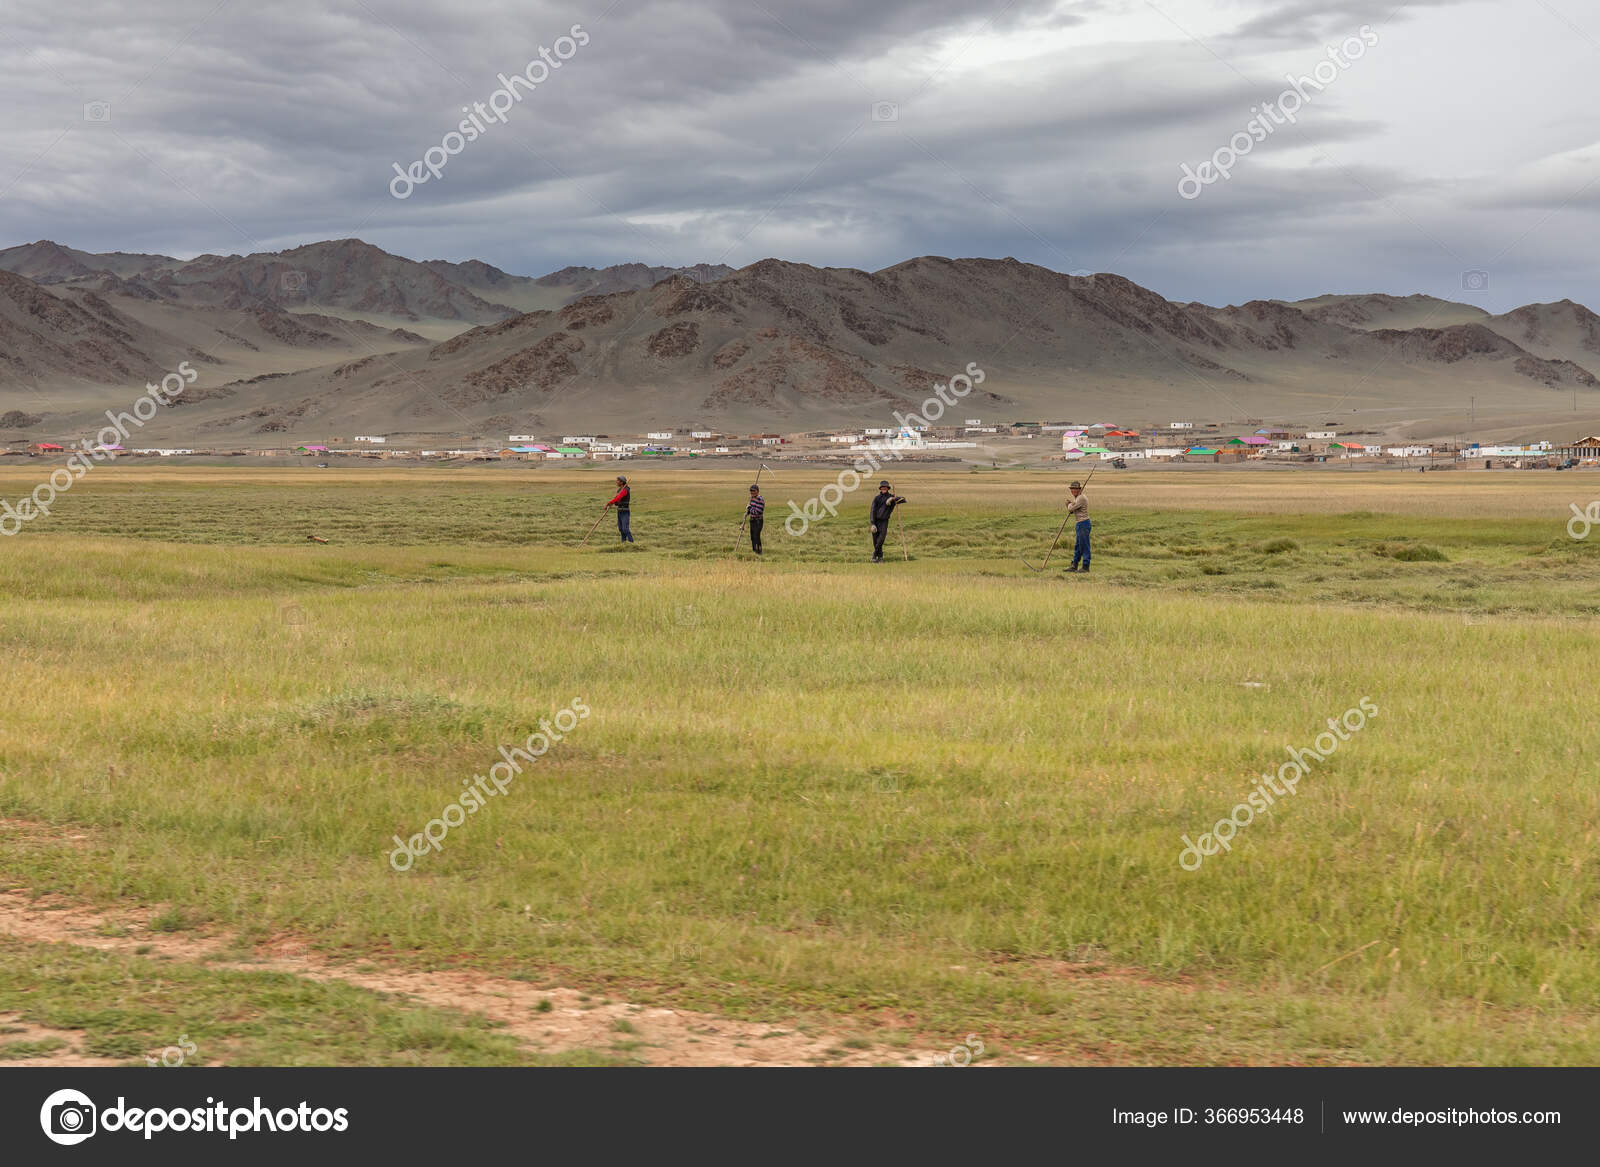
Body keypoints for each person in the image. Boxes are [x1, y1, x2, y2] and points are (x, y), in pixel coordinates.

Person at [868, 480, 906, 562]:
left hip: (884, 521)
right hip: (876, 521)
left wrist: (893, 498)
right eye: (882, 487)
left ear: (888, 488)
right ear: (880, 488)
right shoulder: (877, 498)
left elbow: (904, 499)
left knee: (881, 539)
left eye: (885, 487)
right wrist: (872, 523)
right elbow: (872, 510)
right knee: (875, 541)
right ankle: (880, 557)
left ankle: (875, 554)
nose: (884, 488)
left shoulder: (892, 498)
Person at [1064, 479, 1090, 572]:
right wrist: (1071, 504)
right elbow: (1073, 509)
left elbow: (1071, 509)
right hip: (1079, 523)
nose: (1073, 491)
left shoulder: (1081, 498)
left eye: (1075, 489)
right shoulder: (1077, 498)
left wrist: (1068, 504)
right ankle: (1074, 565)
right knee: (1078, 545)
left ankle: (1085, 567)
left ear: (1079, 490)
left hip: (1083, 523)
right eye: (1072, 489)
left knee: (1084, 545)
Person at [604, 475, 633, 543]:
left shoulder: (625, 490)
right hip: (619, 511)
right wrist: (614, 503)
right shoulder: (619, 490)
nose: (616, 482)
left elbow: (618, 498)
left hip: (625, 511)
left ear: (622, 482)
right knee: (621, 529)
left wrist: (608, 503)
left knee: (625, 529)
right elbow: (617, 501)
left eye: (617, 481)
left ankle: (631, 542)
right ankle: (623, 543)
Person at [744, 484, 765, 554]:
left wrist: (749, 508)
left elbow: (757, 511)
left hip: (758, 521)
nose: (752, 492)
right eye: (751, 491)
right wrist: (747, 512)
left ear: (758, 491)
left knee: (756, 536)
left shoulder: (760, 500)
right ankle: (754, 551)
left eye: (754, 491)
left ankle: (759, 552)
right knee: (752, 537)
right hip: (752, 520)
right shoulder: (752, 499)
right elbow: (752, 510)